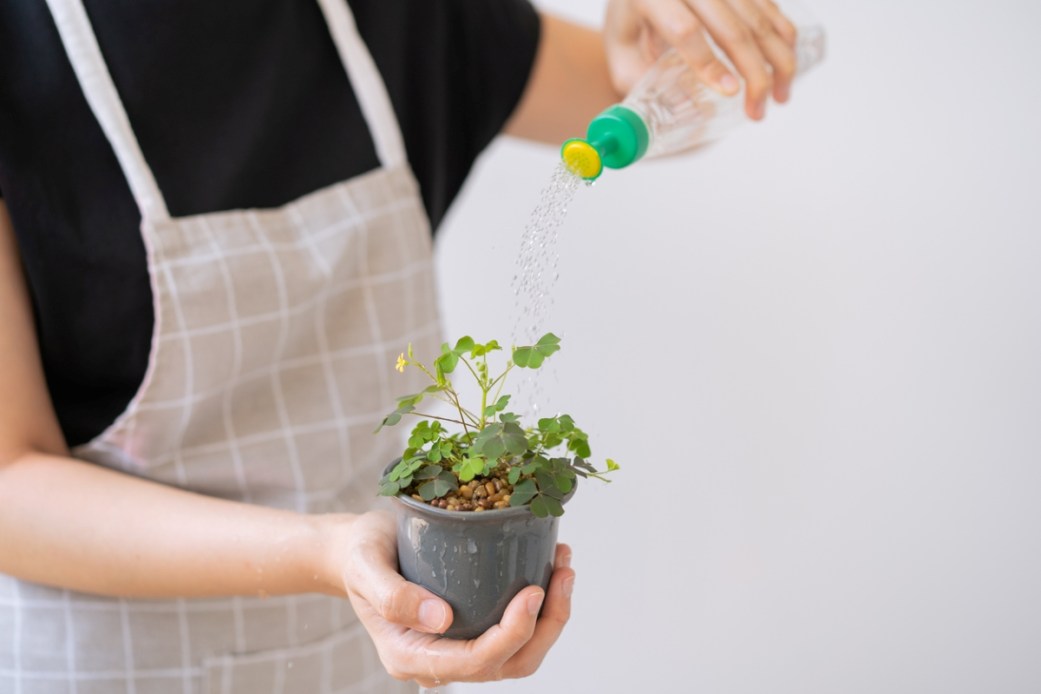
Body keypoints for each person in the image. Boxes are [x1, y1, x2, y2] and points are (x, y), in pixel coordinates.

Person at [0, 0, 799, 690]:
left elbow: (641, 103)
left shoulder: (395, 13)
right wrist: (325, 554)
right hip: (114, 662)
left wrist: (652, 45)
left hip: (377, 656)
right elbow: (10, 483)